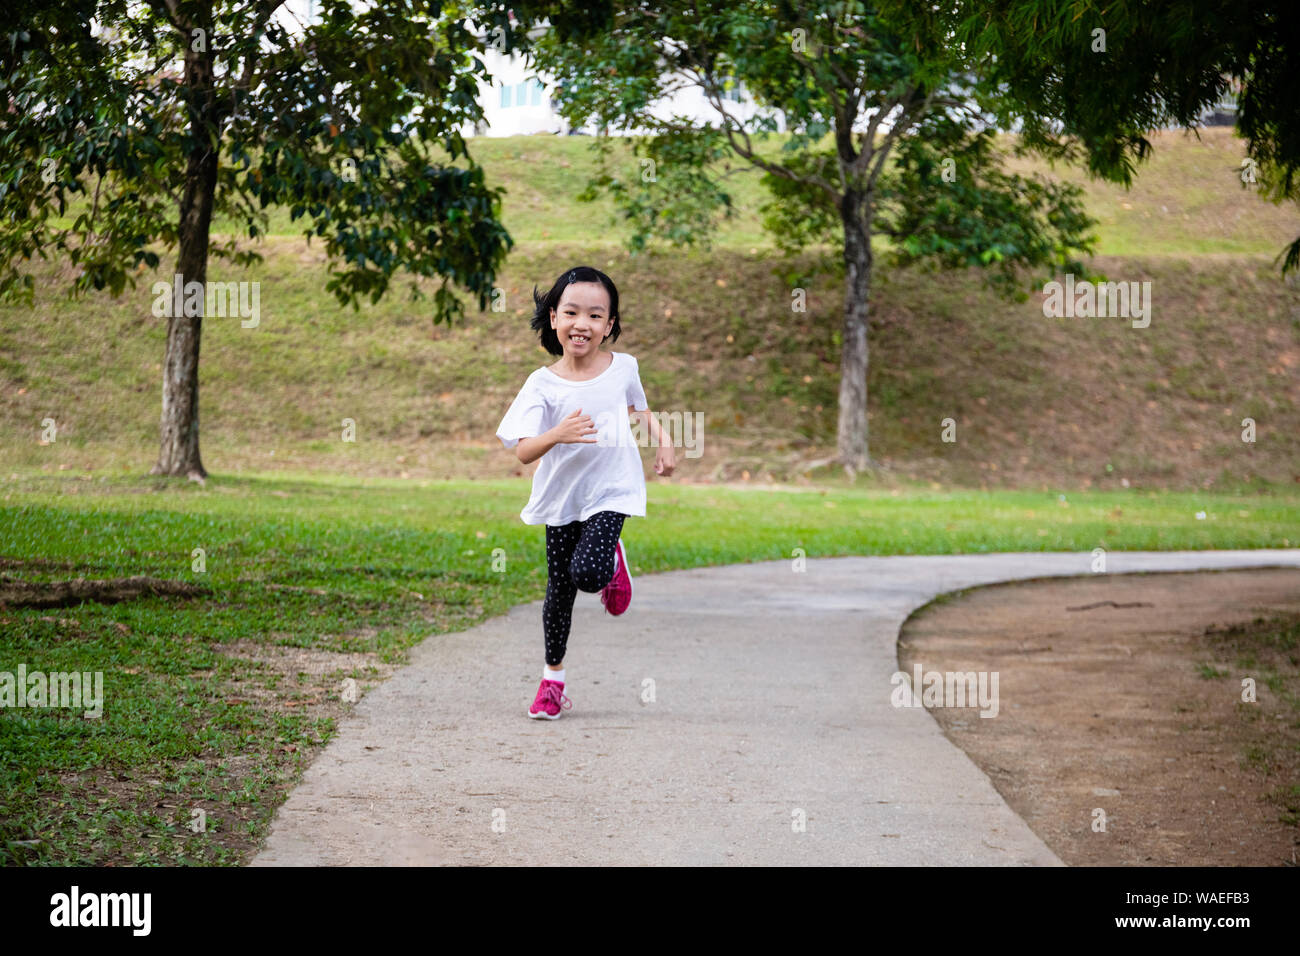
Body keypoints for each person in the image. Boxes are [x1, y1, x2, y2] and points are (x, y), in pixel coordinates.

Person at [495, 266, 675, 719]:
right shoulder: (542, 383)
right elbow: (521, 452)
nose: (583, 324)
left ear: (609, 325)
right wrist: (557, 433)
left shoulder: (624, 367)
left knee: (589, 573)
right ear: (553, 318)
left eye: (596, 316)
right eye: (572, 312)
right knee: (560, 588)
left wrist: (665, 440)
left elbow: (640, 407)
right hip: (563, 497)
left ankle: (609, 560)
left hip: (613, 488)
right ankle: (552, 681)